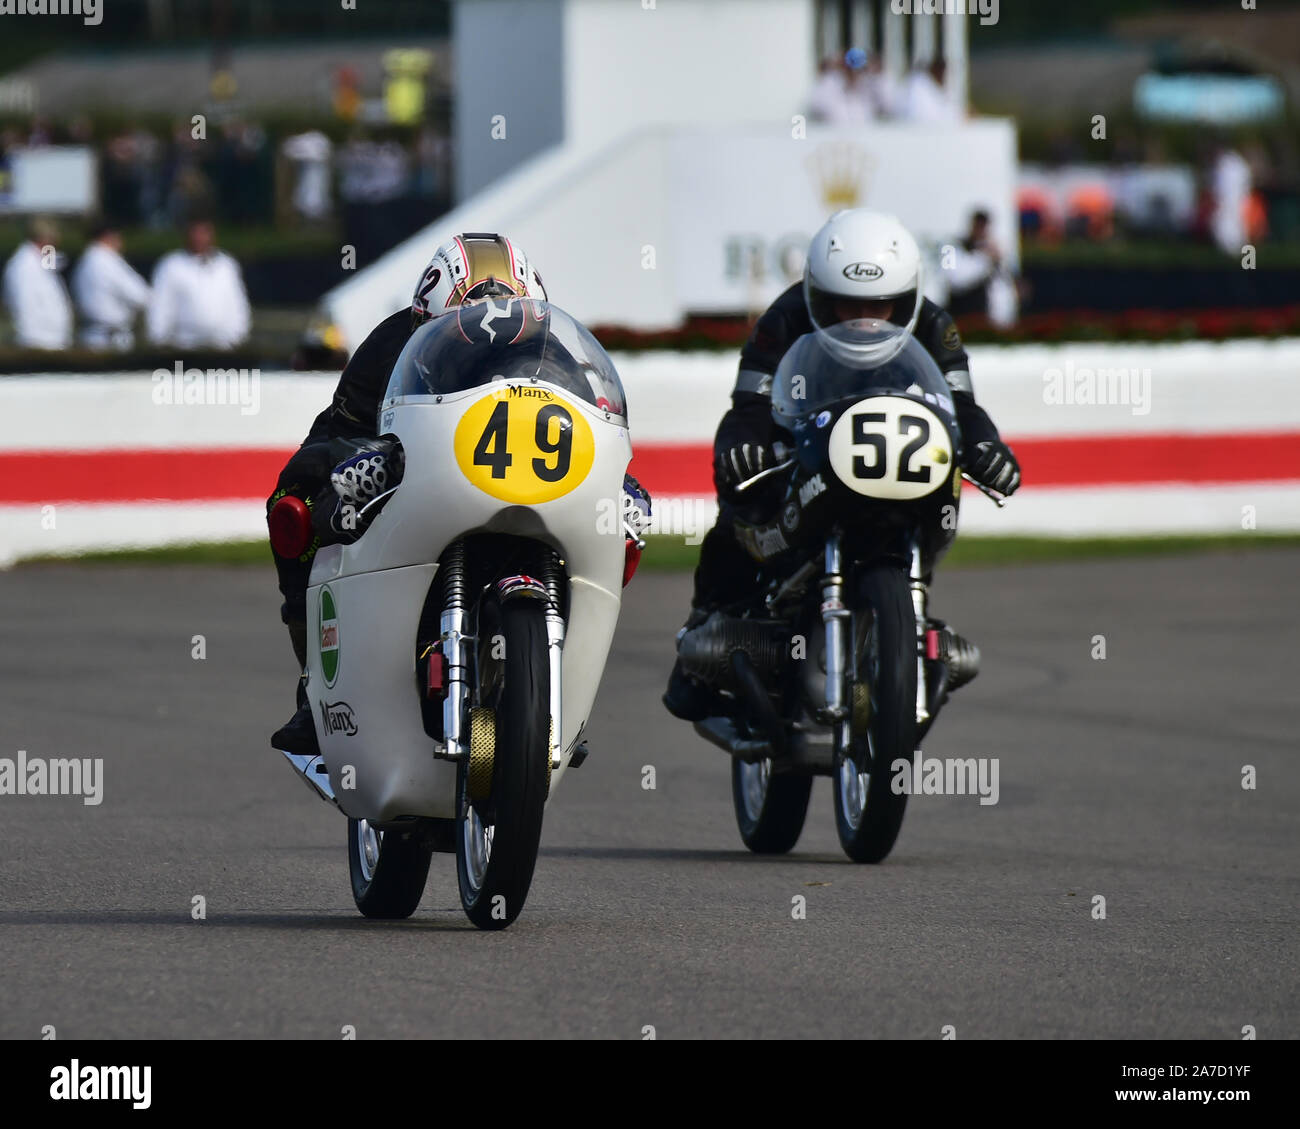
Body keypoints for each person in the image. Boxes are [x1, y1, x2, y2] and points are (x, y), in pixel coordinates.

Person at [267, 232, 650, 755]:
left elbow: (594, 423)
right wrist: (359, 467)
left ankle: (560, 699)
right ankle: (316, 688)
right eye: (459, 334)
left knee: (623, 531)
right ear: (426, 322)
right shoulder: (387, 348)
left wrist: (619, 487)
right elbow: (335, 435)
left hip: (529, 490)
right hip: (425, 485)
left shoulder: (556, 351)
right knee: (293, 504)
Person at [663, 209, 1021, 721]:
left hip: (895, 461)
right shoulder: (783, 318)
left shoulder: (937, 325)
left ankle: (906, 631)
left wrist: (987, 446)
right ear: (816, 293)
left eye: (880, 305)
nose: (863, 317)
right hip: (811, 448)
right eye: (845, 304)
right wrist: (742, 447)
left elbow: (962, 405)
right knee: (737, 515)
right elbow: (750, 403)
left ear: (906, 297)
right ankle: (703, 632)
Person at [147, 218, 250, 349]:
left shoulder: (226, 265)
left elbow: (238, 304)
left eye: (204, 232)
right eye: (195, 232)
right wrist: (158, 340)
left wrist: (238, 337)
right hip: (183, 348)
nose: (199, 238)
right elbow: (160, 305)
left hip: (223, 347)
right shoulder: (171, 265)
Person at [71, 221, 152, 350]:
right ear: (109, 236)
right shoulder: (108, 261)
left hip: (89, 335)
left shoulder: (84, 262)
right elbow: (140, 296)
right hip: (111, 339)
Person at [2, 216, 73, 350]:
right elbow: (25, 310)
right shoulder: (23, 266)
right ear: (45, 239)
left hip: (53, 342)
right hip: (38, 344)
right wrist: (34, 348)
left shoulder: (41, 262)